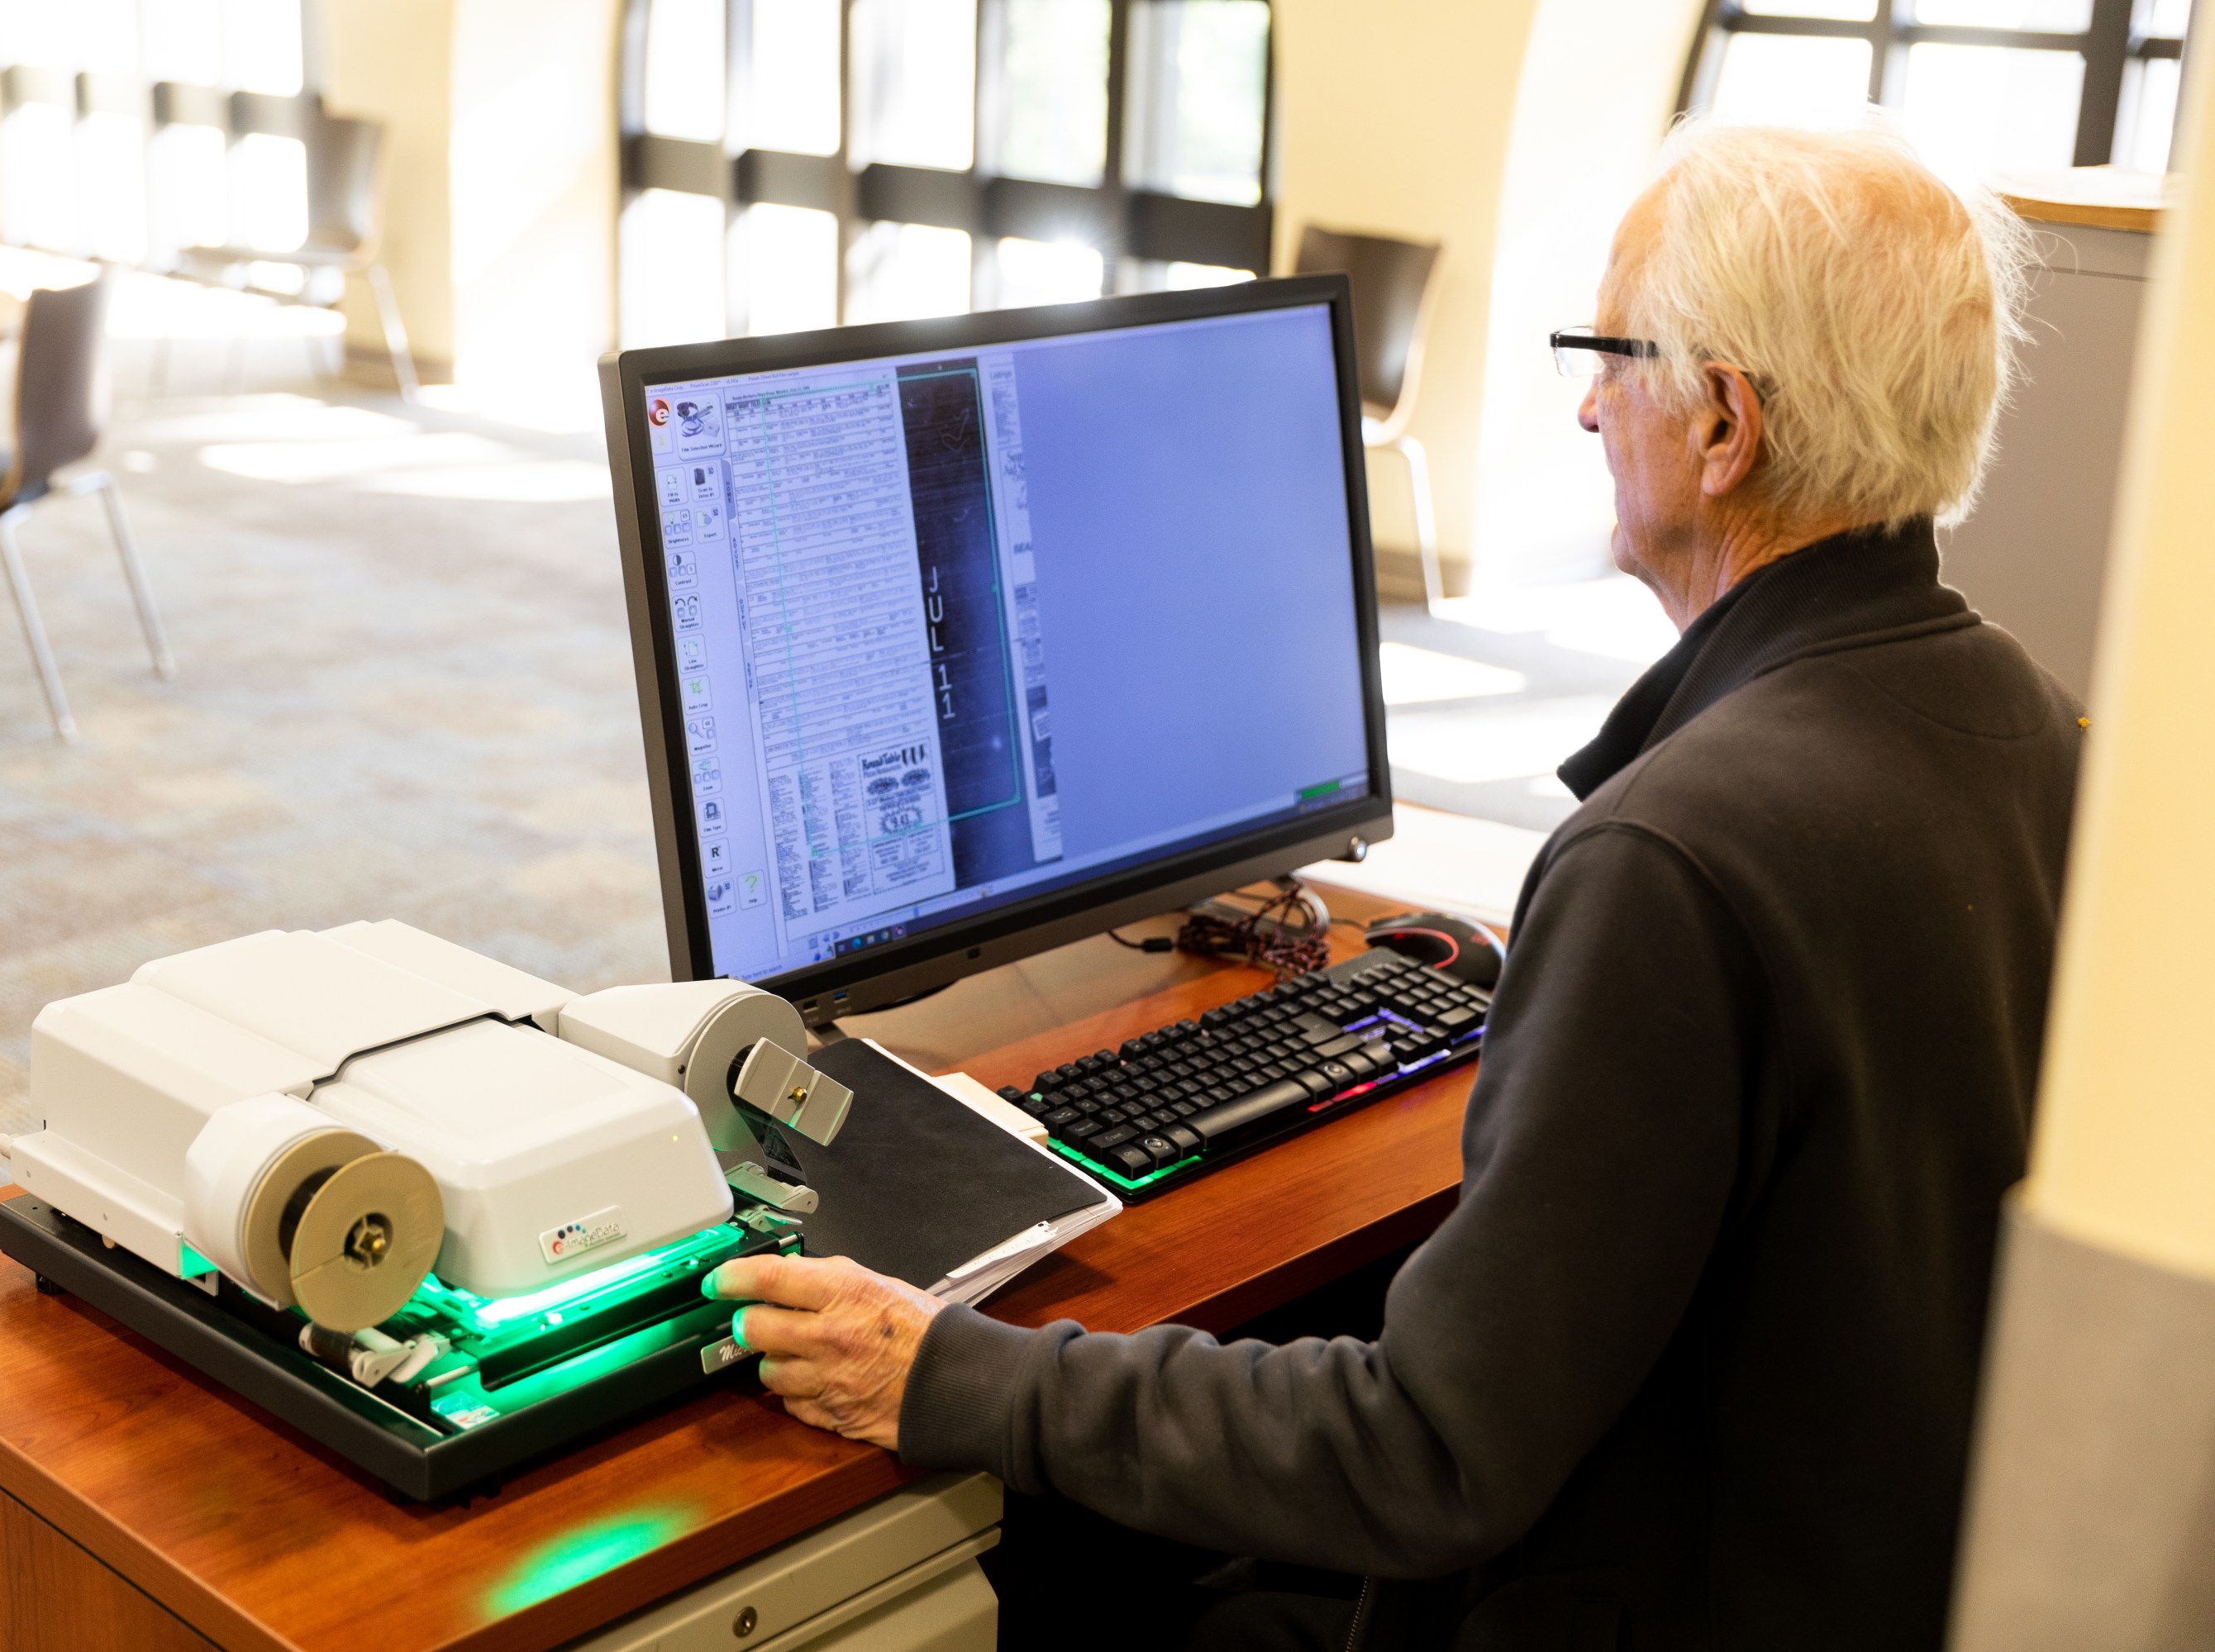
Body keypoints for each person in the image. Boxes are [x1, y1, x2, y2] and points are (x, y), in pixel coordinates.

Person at [703, 119, 2087, 1650]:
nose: (1584, 404)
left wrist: (945, 1370)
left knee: (1060, 1585)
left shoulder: (1669, 860)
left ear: (1723, 426)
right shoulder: (2025, 721)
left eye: (1612, 354)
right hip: (1851, 1567)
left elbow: (1425, 1455)